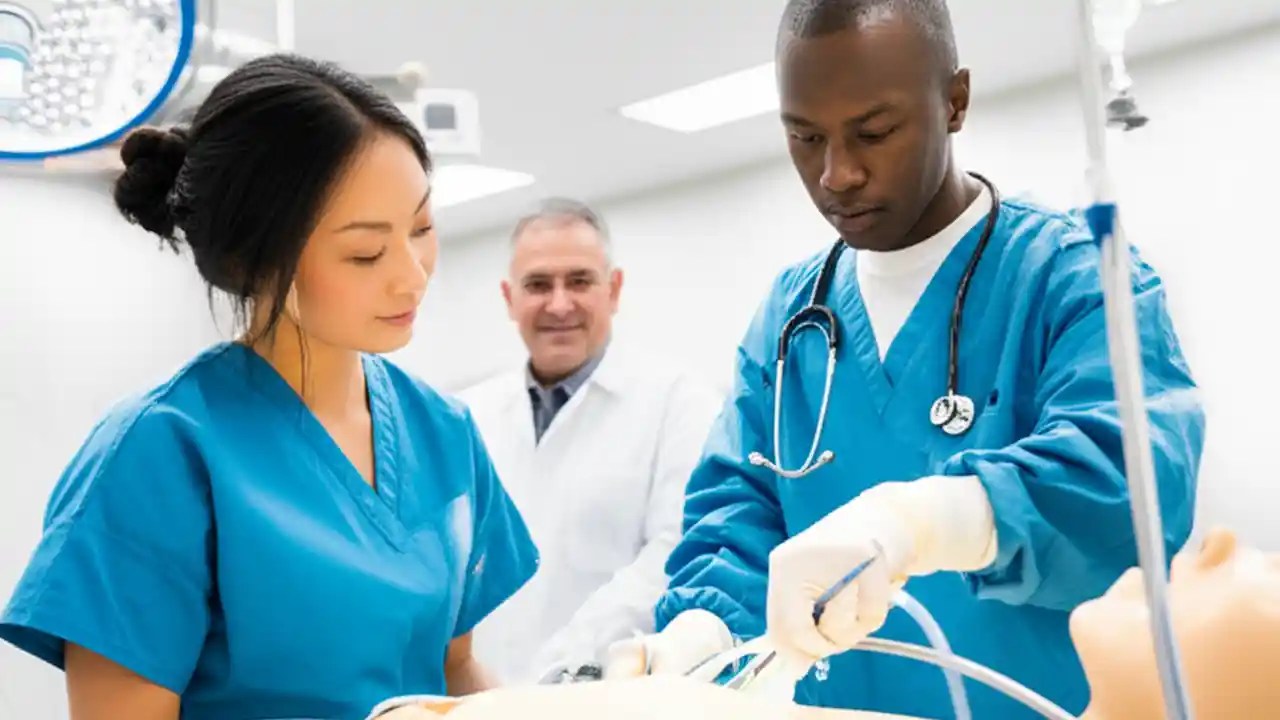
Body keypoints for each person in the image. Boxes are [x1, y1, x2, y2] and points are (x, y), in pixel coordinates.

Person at [606, 1, 1205, 717]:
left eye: (875, 132)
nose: (837, 174)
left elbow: (1133, 484)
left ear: (954, 102)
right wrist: (699, 632)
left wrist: (920, 523)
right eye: (804, 137)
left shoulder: (1071, 278)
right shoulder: (792, 318)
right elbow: (736, 514)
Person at [0, 54, 538, 720]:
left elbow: (455, 669)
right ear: (249, 258)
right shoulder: (158, 453)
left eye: (422, 229)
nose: (413, 274)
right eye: (366, 252)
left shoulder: (444, 432)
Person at [459, 199, 723, 683]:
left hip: (608, 690)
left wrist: (567, 658)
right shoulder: (466, 415)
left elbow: (676, 549)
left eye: (579, 281)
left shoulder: (679, 401)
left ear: (614, 289)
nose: (559, 304)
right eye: (538, 285)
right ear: (509, 298)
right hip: (479, 695)